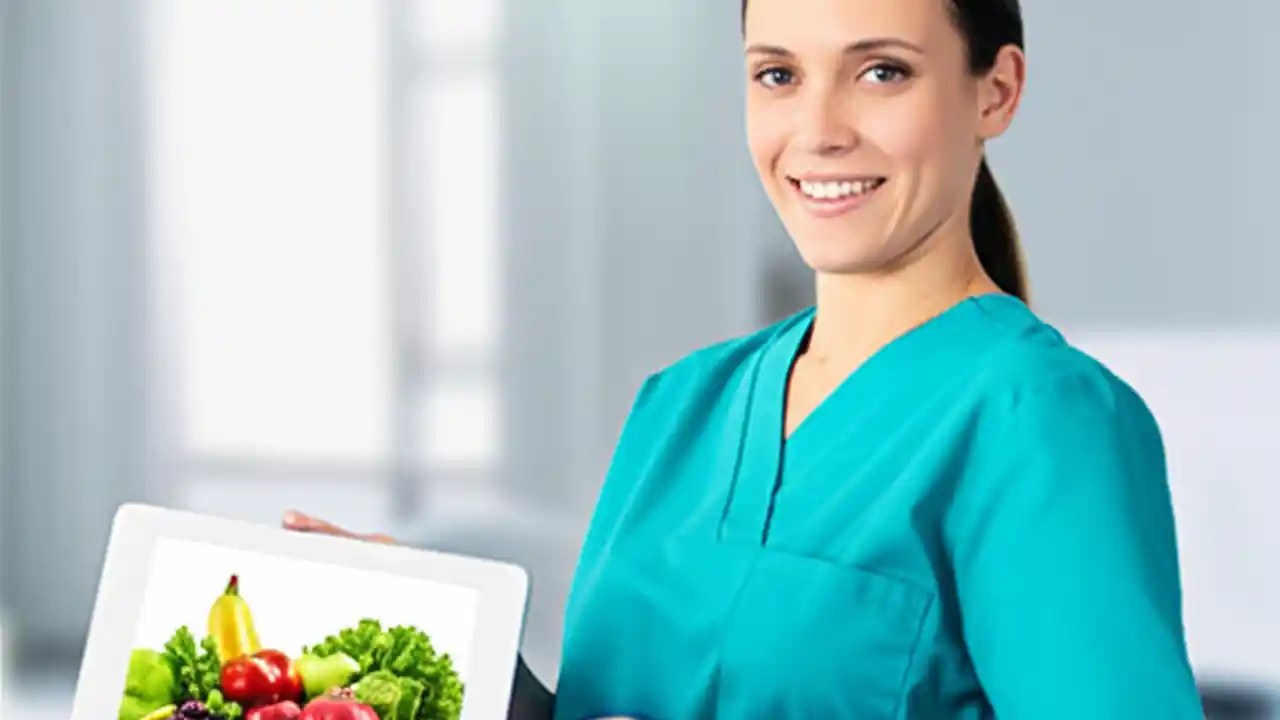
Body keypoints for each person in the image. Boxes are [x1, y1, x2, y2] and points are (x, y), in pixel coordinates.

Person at [285, 0, 1208, 716]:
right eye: (777, 75)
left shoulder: (1040, 420)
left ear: (994, 92)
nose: (818, 130)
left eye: (881, 71)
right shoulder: (679, 405)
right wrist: (458, 652)